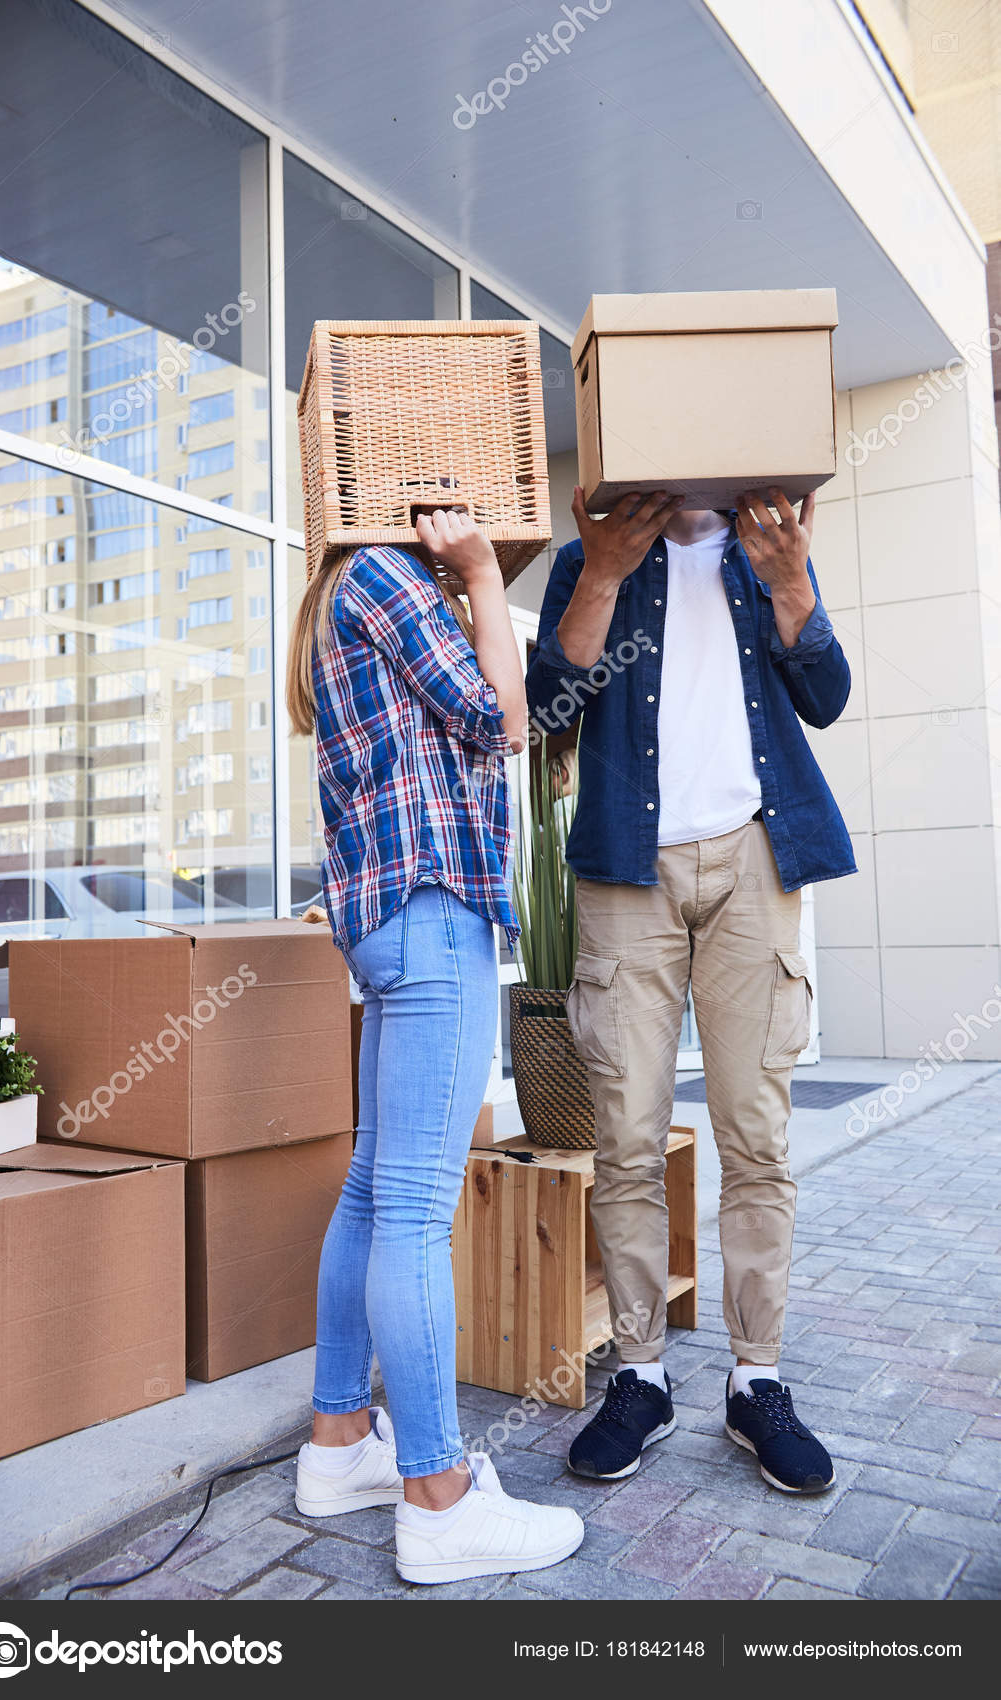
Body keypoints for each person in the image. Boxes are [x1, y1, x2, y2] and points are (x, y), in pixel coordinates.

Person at [526, 486, 854, 1494]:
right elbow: (545, 707)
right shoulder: (598, 553)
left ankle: (756, 1382)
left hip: (756, 856)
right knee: (625, 1129)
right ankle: (640, 1375)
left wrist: (791, 576)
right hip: (629, 859)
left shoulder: (767, 543)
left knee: (753, 1130)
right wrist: (606, 571)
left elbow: (826, 694)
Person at [286, 509, 585, 1584]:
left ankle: (336, 1446)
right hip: (431, 913)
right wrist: (474, 574)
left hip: (388, 920)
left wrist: (464, 578)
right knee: (412, 1206)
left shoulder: (342, 587)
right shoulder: (387, 573)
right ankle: (436, 1494)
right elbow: (504, 717)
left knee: (372, 1190)